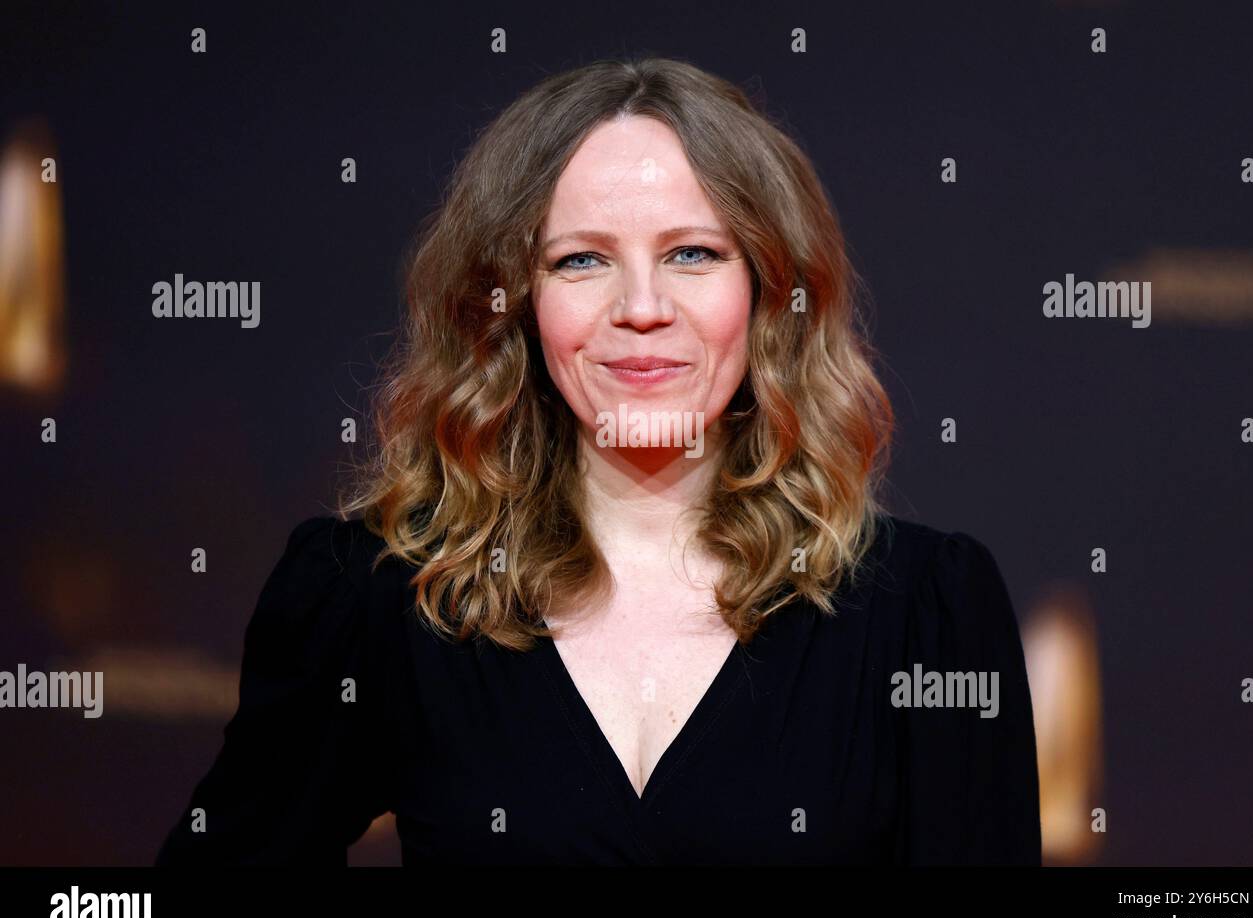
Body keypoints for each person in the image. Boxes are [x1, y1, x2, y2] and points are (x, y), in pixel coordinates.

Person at [156, 56, 1040, 865]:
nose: (643, 307)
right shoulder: (380, 596)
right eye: (582, 261)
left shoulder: (927, 613)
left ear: (770, 289)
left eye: (693, 254)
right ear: (514, 304)